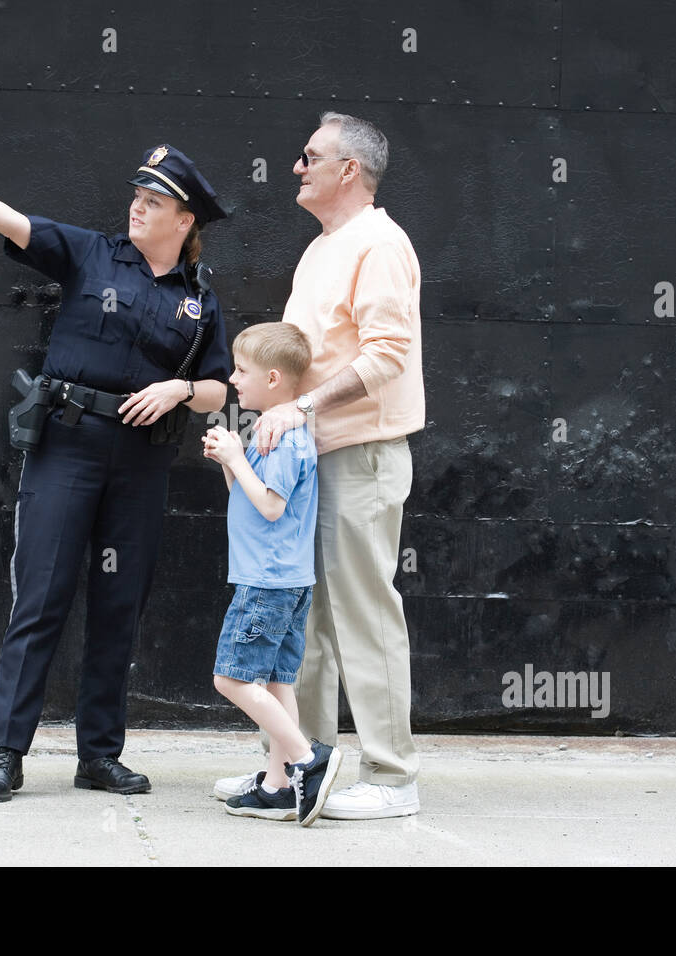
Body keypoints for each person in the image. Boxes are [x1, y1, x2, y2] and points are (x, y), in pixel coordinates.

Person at [0, 142, 230, 801]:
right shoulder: (91, 253)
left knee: (120, 610)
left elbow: (219, 387)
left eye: (153, 202)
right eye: (136, 196)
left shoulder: (199, 300)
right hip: (68, 445)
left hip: (143, 462)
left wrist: (181, 393)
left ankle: (99, 756)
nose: (137, 207)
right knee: (41, 599)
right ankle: (7, 753)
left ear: (185, 221)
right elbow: (12, 221)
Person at [214, 113, 426, 819]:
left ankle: (393, 780)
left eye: (311, 156)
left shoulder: (380, 244)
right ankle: (295, 770)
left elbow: (386, 353)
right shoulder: (322, 250)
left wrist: (299, 412)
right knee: (306, 626)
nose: (297, 166)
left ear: (349, 172)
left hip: (359, 454)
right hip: (313, 460)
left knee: (363, 615)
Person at [201, 322, 340, 826]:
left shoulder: (284, 441)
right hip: (287, 581)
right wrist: (228, 460)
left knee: (230, 679)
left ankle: (308, 760)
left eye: (242, 370)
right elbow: (246, 494)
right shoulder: (268, 432)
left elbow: (271, 506)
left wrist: (237, 456)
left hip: (267, 582)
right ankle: (280, 785)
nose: (233, 379)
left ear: (275, 379)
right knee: (280, 682)